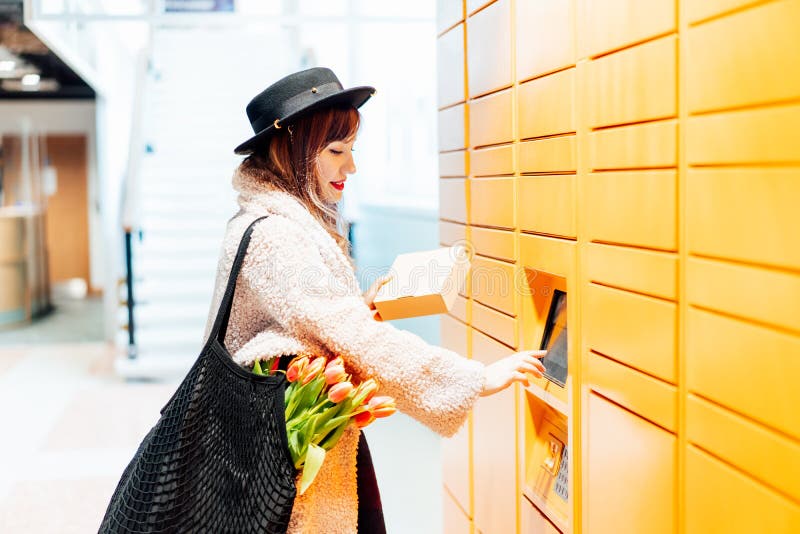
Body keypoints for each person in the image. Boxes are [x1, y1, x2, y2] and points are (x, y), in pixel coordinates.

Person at [202, 67, 546, 534]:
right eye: (335, 151)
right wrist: (474, 377)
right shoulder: (276, 235)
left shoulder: (278, 220)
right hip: (283, 463)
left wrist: (359, 307)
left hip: (287, 447)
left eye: (351, 150)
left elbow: (305, 321)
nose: (351, 167)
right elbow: (348, 333)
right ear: (291, 150)